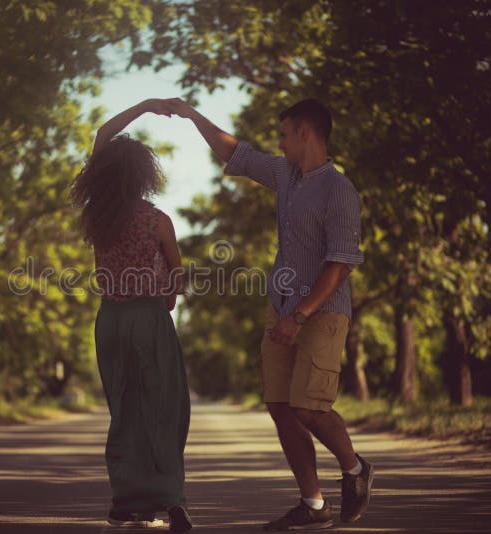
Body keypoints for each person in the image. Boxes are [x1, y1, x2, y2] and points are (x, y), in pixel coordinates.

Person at [165, 97, 374, 530]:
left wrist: (299, 316)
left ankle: (355, 470)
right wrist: (191, 115)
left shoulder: (339, 190)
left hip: (321, 312)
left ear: (305, 133)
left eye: (283, 134)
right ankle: (313, 505)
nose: (279, 143)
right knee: (280, 406)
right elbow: (236, 154)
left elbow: (340, 265)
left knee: (309, 408)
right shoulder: (286, 175)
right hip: (279, 308)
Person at [70, 99, 193, 533]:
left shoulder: (98, 215)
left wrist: (144, 106)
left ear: (104, 173)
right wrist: (169, 299)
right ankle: (171, 501)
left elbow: (103, 135)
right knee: (165, 409)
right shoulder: (157, 220)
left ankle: (127, 505)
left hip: (111, 321)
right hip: (148, 319)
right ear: (144, 175)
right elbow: (176, 272)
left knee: (125, 410)